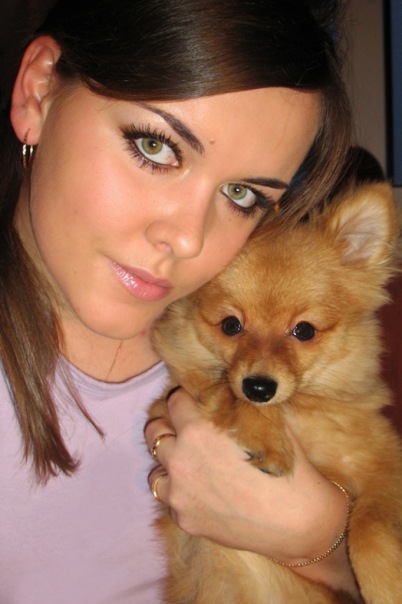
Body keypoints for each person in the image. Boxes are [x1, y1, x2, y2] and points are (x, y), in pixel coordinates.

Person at [0, 0, 361, 602]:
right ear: (39, 92)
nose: (189, 239)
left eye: (241, 194)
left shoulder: (266, 370)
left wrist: (320, 546)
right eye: (156, 147)